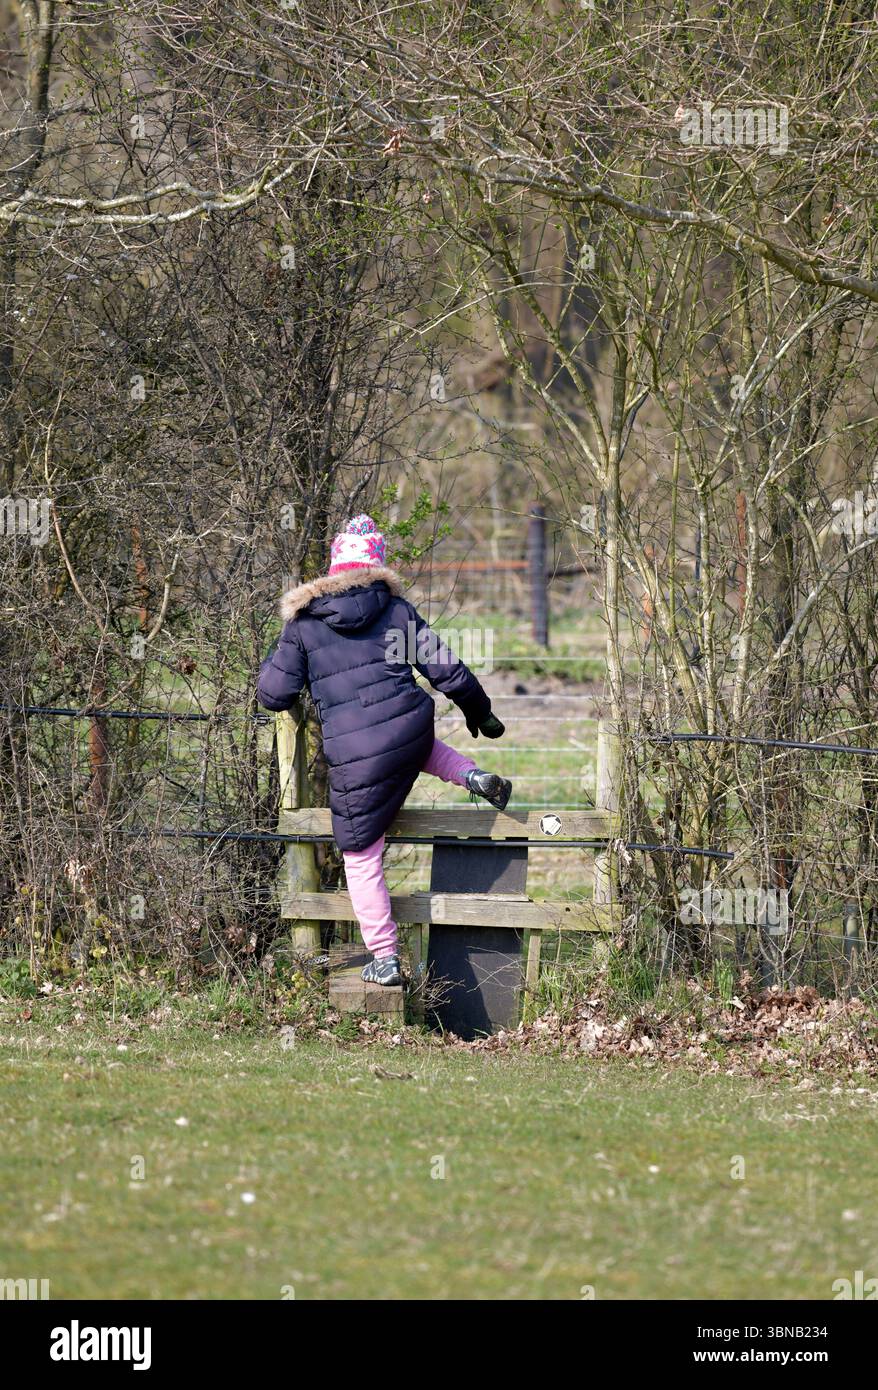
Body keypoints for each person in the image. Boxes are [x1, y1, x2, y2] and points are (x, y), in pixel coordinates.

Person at [257, 515, 511, 986]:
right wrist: (481, 712)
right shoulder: (396, 612)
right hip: (410, 727)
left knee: (359, 854)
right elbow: (447, 670)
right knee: (414, 746)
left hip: (356, 751)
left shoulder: (305, 625)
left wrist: (284, 662)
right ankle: (472, 776)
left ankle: (385, 957)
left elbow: (273, 696)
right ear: (376, 566)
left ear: (334, 569)